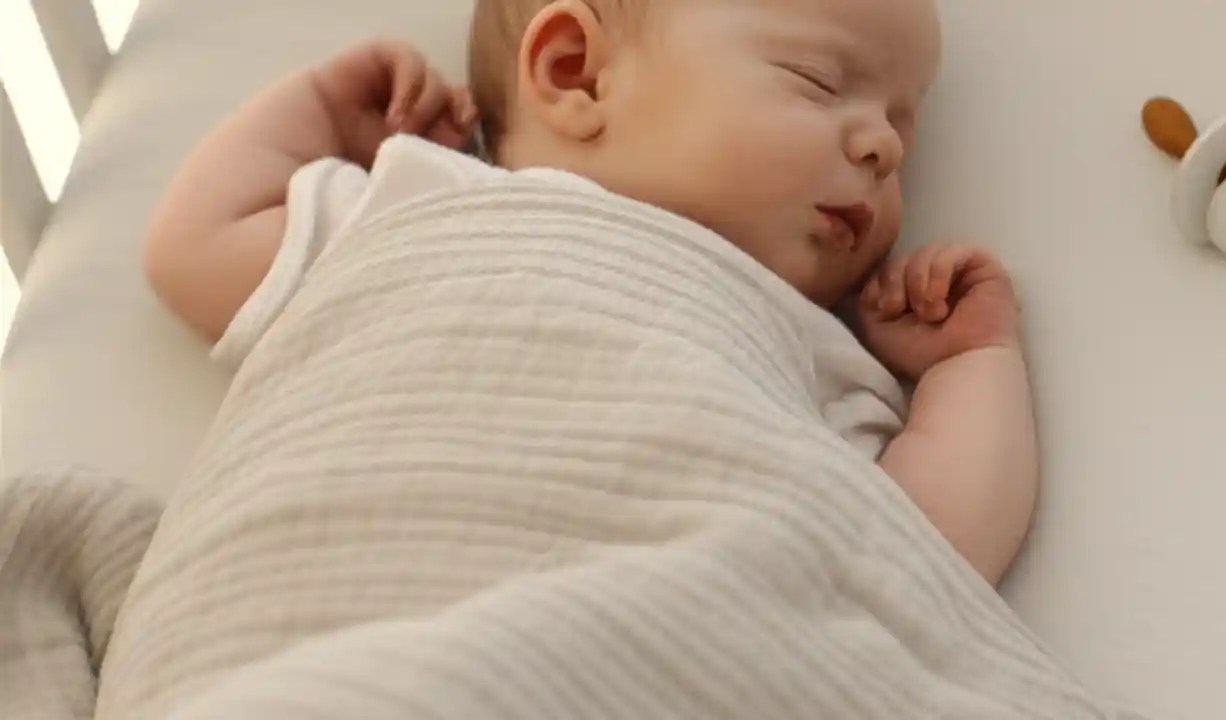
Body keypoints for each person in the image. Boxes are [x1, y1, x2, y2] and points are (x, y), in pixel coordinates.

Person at [103, 1, 1055, 717]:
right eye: (816, 80)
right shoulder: (420, 204)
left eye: (906, 125)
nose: (883, 146)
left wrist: (972, 363)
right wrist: (319, 108)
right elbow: (194, 249)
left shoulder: (802, 343)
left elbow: (924, 549)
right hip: (313, 612)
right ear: (577, 74)